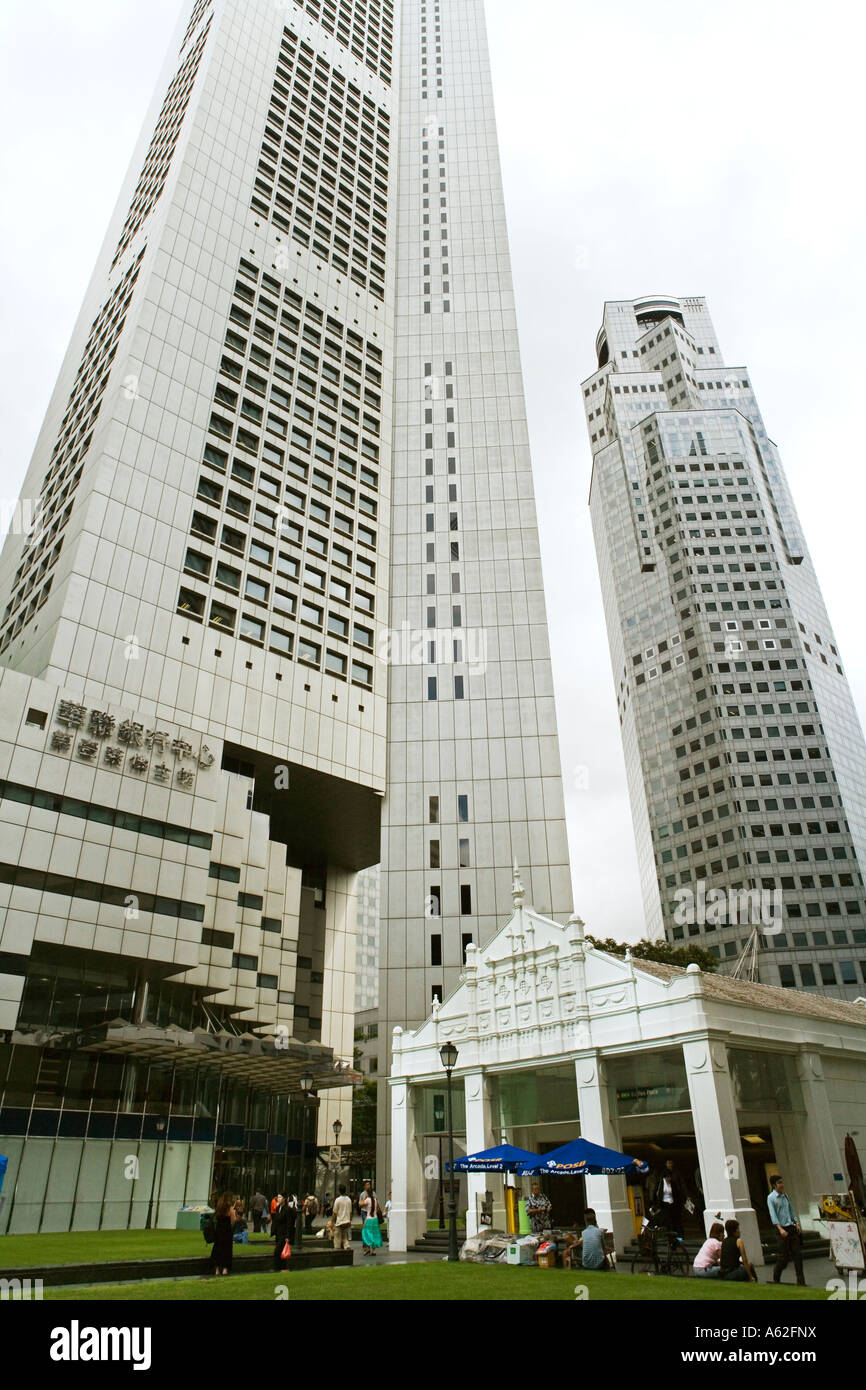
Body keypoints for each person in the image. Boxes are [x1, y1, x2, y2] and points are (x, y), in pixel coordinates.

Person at [767, 1175, 805, 1286]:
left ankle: (800, 1279)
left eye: (781, 1182)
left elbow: (791, 1211)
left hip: (791, 1228)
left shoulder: (785, 1196)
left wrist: (796, 1222)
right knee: (784, 1257)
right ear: (774, 1185)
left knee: (797, 1254)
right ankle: (776, 1274)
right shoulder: (771, 1198)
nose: (782, 1185)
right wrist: (779, 1228)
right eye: (779, 1183)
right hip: (781, 1229)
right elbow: (773, 1214)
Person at [649, 1158, 686, 1235]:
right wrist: (655, 1201)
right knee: (668, 1219)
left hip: (674, 1203)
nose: (668, 1179)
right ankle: (670, 1233)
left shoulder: (674, 1184)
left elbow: (679, 1190)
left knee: (676, 1218)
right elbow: (657, 1192)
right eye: (666, 1178)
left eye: (669, 1177)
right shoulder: (662, 1184)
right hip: (665, 1204)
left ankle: (678, 1233)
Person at [719, 1218, 758, 1282]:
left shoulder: (724, 1241)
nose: (739, 1231)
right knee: (750, 1266)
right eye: (738, 1229)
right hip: (732, 1272)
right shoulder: (738, 1241)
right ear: (735, 1230)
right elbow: (745, 1260)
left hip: (724, 1273)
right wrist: (750, 1276)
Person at [208, 1191, 237, 1276]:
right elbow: (233, 1220)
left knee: (217, 1249)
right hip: (227, 1231)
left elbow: (216, 1218)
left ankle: (216, 1269)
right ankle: (224, 1269)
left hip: (219, 1230)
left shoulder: (219, 1207)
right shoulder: (230, 1208)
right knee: (226, 1249)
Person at [359, 1180, 383, 1256]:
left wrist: (364, 1199)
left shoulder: (367, 1199)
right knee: (375, 1233)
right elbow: (378, 1208)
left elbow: (360, 1204)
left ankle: (368, 1247)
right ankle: (374, 1250)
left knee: (365, 1232)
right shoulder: (375, 1199)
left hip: (369, 1218)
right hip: (375, 1219)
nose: (368, 1186)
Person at [271, 1192, 290, 1271]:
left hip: (283, 1234)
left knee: (278, 1251)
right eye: (278, 1197)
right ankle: (281, 1268)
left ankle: (278, 1267)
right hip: (278, 1233)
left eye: (280, 1197)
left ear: (284, 1199)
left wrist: (288, 1236)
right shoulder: (278, 1208)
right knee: (281, 1251)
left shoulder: (287, 1209)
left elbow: (289, 1223)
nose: (278, 1199)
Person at [332, 1184, 353, 1251]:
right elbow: (350, 1212)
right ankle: (346, 1247)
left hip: (339, 1222)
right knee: (345, 1237)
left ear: (339, 1191)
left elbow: (334, 1213)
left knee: (337, 1239)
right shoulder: (349, 1200)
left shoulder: (337, 1200)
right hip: (347, 1221)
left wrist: (333, 1222)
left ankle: (337, 1250)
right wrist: (350, 1220)